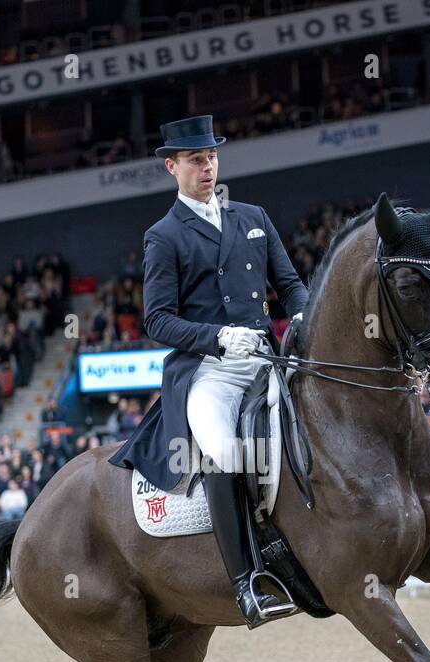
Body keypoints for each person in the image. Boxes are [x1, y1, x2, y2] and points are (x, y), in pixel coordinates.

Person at [109, 115, 309, 628]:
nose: (208, 166)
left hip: (265, 356)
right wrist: (217, 337)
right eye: (197, 160)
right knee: (223, 452)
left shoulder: (252, 216)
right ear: (172, 166)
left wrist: (304, 315)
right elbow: (156, 319)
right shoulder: (164, 235)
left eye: (213, 157)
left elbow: (289, 284)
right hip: (209, 370)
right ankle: (248, 583)